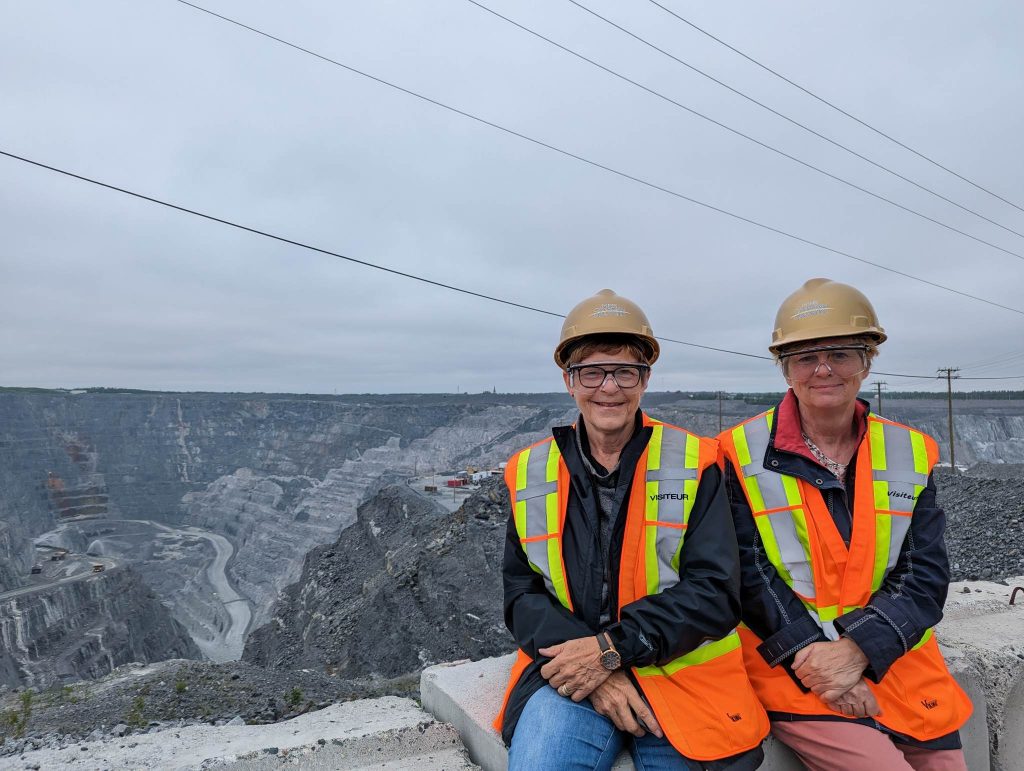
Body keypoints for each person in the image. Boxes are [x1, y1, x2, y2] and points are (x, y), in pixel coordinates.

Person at [494, 289, 768, 770]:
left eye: (625, 372)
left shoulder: (695, 463)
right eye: (592, 372)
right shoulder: (529, 472)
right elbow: (522, 592)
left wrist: (610, 651)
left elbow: (718, 591)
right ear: (569, 379)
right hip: (570, 677)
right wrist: (594, 669)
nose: (609, 388)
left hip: (682, 673)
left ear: (645, 379)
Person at [718, 278, 972, 770]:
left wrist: (860, 649)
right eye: (805, 357)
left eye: (841, 353)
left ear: (867, 361)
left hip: (897, 660)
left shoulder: (909, 451)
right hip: (794, 663)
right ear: (785, 369)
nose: (824, 369)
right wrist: (822, 664)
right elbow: (747, 575)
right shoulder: (737, 453)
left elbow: (925, 574)